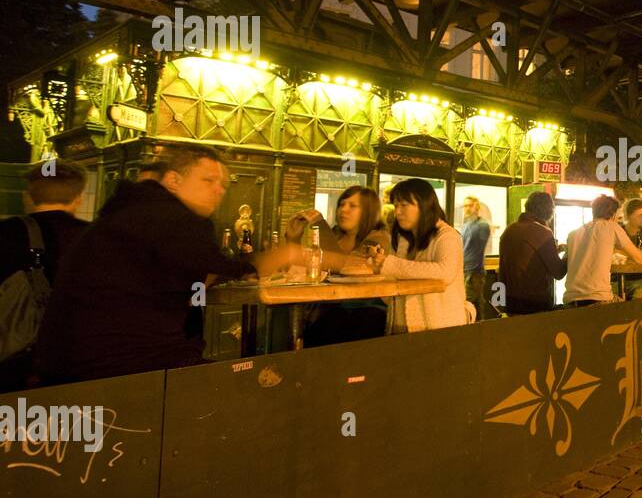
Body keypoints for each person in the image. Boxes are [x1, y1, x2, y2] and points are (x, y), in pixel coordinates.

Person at [34, 145, 297, 383]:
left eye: (222, 184)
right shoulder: (173, 216)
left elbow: (193, 272)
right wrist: (277, 258)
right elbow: (229, 267)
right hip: (123, 365)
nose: (219, 190)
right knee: (258, 386)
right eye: (208, 180)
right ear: (173, 180)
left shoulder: (129, 211)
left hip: (65, 362)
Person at [0, 159, 92, 386]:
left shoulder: (5, 234)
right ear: (78, 199)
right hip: (77, 363)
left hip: (11, 365)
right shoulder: (98, 238)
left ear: (28, 197)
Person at [284, 186, 391, 347]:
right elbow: (302, 270)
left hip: (363, 316)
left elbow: (353, 267)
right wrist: (294, 239)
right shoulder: (335, 235)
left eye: (352, 206)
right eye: (342, 204)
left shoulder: (378, 237)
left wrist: (320, 225)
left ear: (369, 210)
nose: (344, 210)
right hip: (327, 313)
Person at [369, 178, 469, 331]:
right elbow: (392, 288)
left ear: (424, 204)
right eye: (395, 205)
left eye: (404, 205)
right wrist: (378, 269)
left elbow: (445, 273)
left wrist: (389, 264)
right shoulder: (401, 240)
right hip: (402, 328)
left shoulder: (447, 236)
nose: (398, 211)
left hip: (443, 329)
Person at [562, 194, 642, 306]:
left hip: (570, 301)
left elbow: (568, 263)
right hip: (599, 298)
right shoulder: (612, 227)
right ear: (613, 215)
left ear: (593, 212)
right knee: (629, 307)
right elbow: (639, 258)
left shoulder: (573, 234)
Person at [498, 191, 566, 314]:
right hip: (534, 303)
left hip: (509, 301)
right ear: (549, 211)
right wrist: (570, 252)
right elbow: (558, 272)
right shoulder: (543, 232)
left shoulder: (509, 230)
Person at [460, 195, 491, 321]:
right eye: (465, 206)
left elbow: (477, 248)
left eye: (469, 205)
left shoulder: (482, 225)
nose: (466, 208)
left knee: (474, 304)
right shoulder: (466, 225)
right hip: (464, 270)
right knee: (473, 304)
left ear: (476, 207)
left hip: (474, 272)